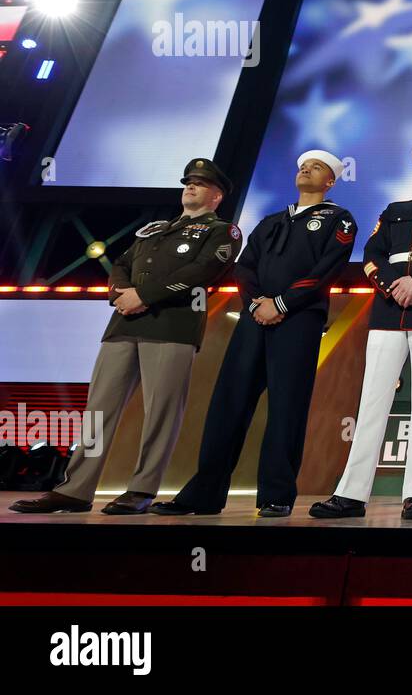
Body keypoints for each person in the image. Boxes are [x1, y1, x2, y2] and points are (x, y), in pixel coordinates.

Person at [10, 159, 241, 515]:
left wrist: (144, 296)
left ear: (216, 195)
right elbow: (121, 262)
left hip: (172, 325)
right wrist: (120, 293)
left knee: (160, 412)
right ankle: (75, 489)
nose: (191, 187)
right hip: (124, 323)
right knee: (98, 411)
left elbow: (204, 269)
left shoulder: (222, 230)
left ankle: (141, 489)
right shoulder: (156, 229)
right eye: (188, 182)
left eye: (200, 183)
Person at [151, 151, 356, 518]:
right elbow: (244, 267)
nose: (305, 169)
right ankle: (204, 494)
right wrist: (256, 303)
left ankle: (276, 495)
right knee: (228, 404)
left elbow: (326, 270)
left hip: (299, 320)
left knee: (286, 407)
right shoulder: (270, 221)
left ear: (330, 181)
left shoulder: (338, 220)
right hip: (254, 318)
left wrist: (281, 303)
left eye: (317, 167)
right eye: (302, 166)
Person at [310, 139, 412, 522]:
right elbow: (372, 255)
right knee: (371, 401)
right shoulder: (394, 211)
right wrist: (393, 285)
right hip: (389, 309)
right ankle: (351, 494)